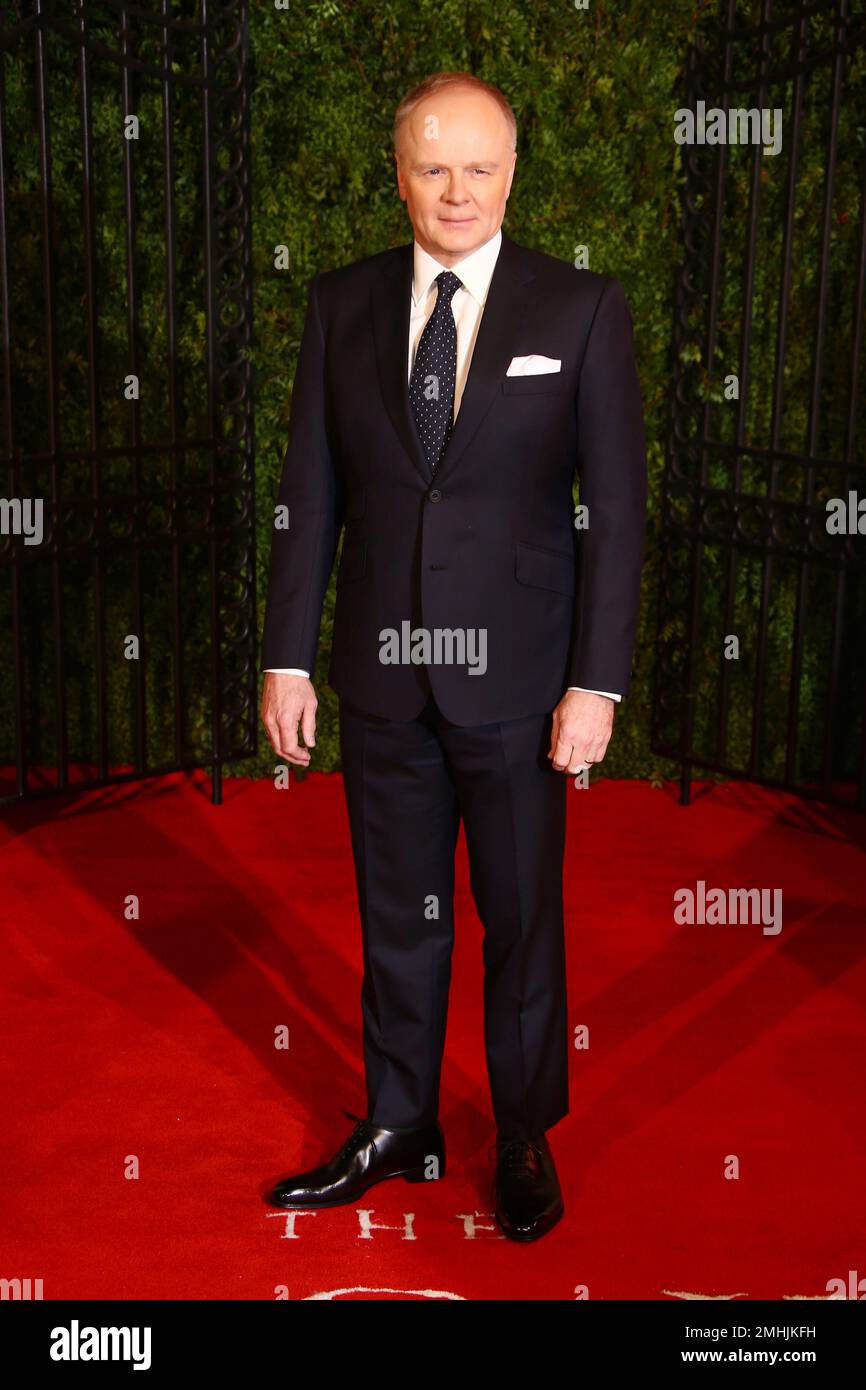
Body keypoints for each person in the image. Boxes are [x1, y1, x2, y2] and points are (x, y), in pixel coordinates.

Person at [259, 71, 647, 1242]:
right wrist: (285, 657)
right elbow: (308, 495)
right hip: (380, 672)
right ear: (399, 175)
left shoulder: (579, 308)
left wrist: (597, 679)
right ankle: (397, 1121)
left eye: (478, 167)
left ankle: (522, 1128)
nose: (456, 190)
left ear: (511, 175)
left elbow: (616, 512)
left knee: (520, 914)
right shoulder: (341, 305)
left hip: (523, 683)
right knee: (397, 913)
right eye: (433, 167)